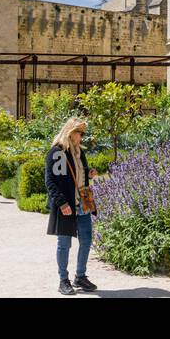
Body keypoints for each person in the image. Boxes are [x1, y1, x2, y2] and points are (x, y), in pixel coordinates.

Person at [45, 117, 98, 295]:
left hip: (82, 204)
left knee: (86, 239)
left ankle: (80, 276)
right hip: (67, 205)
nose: (82, 136)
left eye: (83, 133)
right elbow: (51, 181)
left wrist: (88, 173)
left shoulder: (78, 152)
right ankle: (63, 280)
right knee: (64, 244)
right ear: (70, 132)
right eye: (80, 132)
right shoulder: (58, 152)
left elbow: (77, 174)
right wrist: (61, 203)